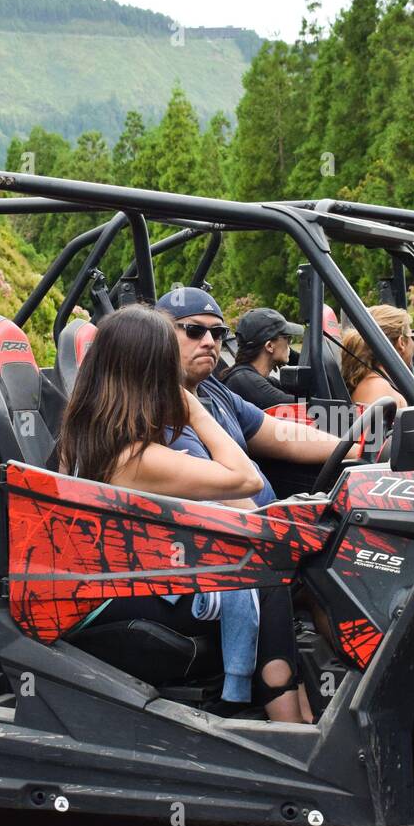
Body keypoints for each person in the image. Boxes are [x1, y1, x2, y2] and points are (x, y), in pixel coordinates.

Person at [55, 307, 305, 723]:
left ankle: (297, 711)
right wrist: (193, 409)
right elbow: (245, 480)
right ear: (150, 375)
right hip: (114, 595)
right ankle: (291, 725)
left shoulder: (92, 437)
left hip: (115, 578)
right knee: (265, 572)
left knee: (264, 562)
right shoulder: (133, 457)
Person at [157, 287, 357, 511]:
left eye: (217, 333)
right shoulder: (159, 408)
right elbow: (224, 495)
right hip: (245, 533)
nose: (209, 342)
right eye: (194, 330)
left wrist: (357, 450)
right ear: (161, 336)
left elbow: (284, 435)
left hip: (269, 517)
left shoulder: (211, 388)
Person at [222, 307, 304, 409]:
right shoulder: (245, 382)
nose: (289, 345)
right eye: (287, 338)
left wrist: (286, 354)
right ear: (269, 346)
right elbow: (305, 408)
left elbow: (306, 393)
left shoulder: (258, 379)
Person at [341, 305, 414, 410]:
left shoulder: (375, 382)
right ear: (401, 342)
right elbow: (369, 426)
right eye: (412, 336)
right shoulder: (378, 388)